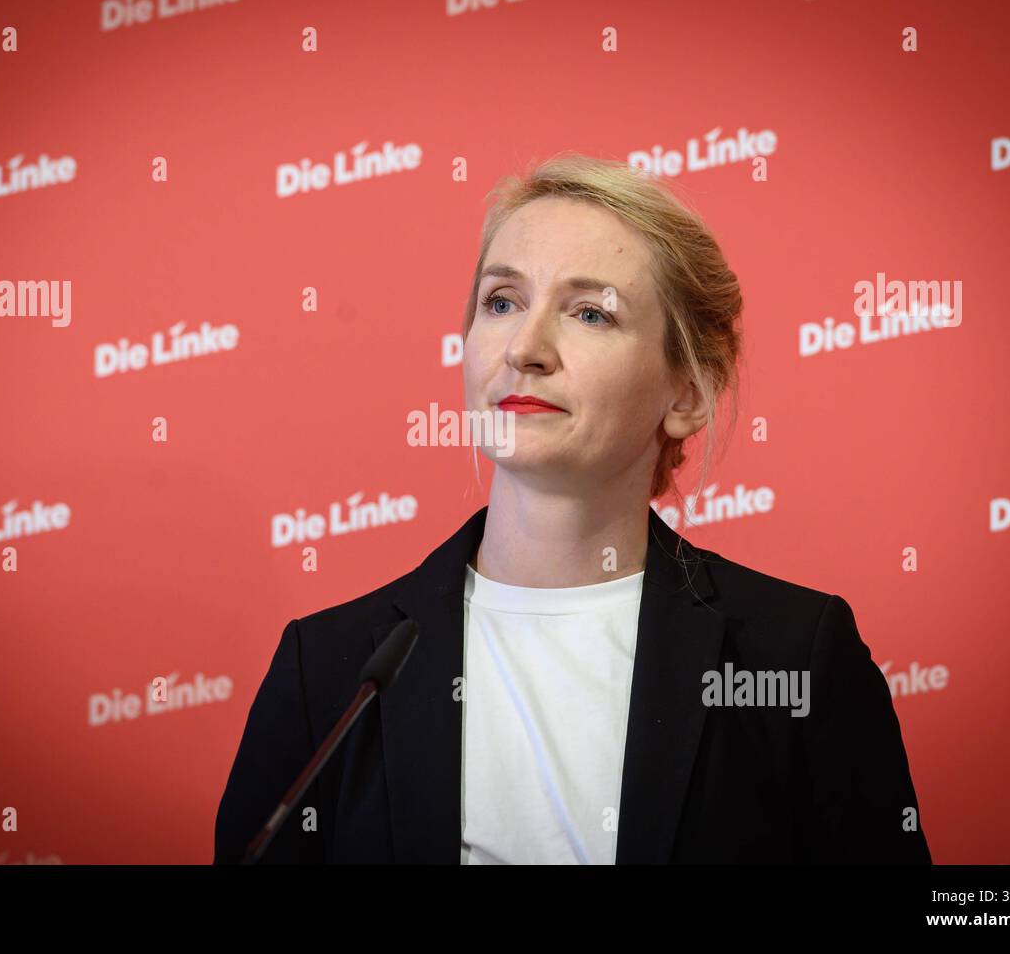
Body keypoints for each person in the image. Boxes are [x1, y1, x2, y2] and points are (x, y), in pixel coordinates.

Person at [214, 153, 932, 864]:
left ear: (687, 394)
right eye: (501, 302)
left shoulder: (794, 656)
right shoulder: (328, 670)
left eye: (591, 312)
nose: (525, 348)